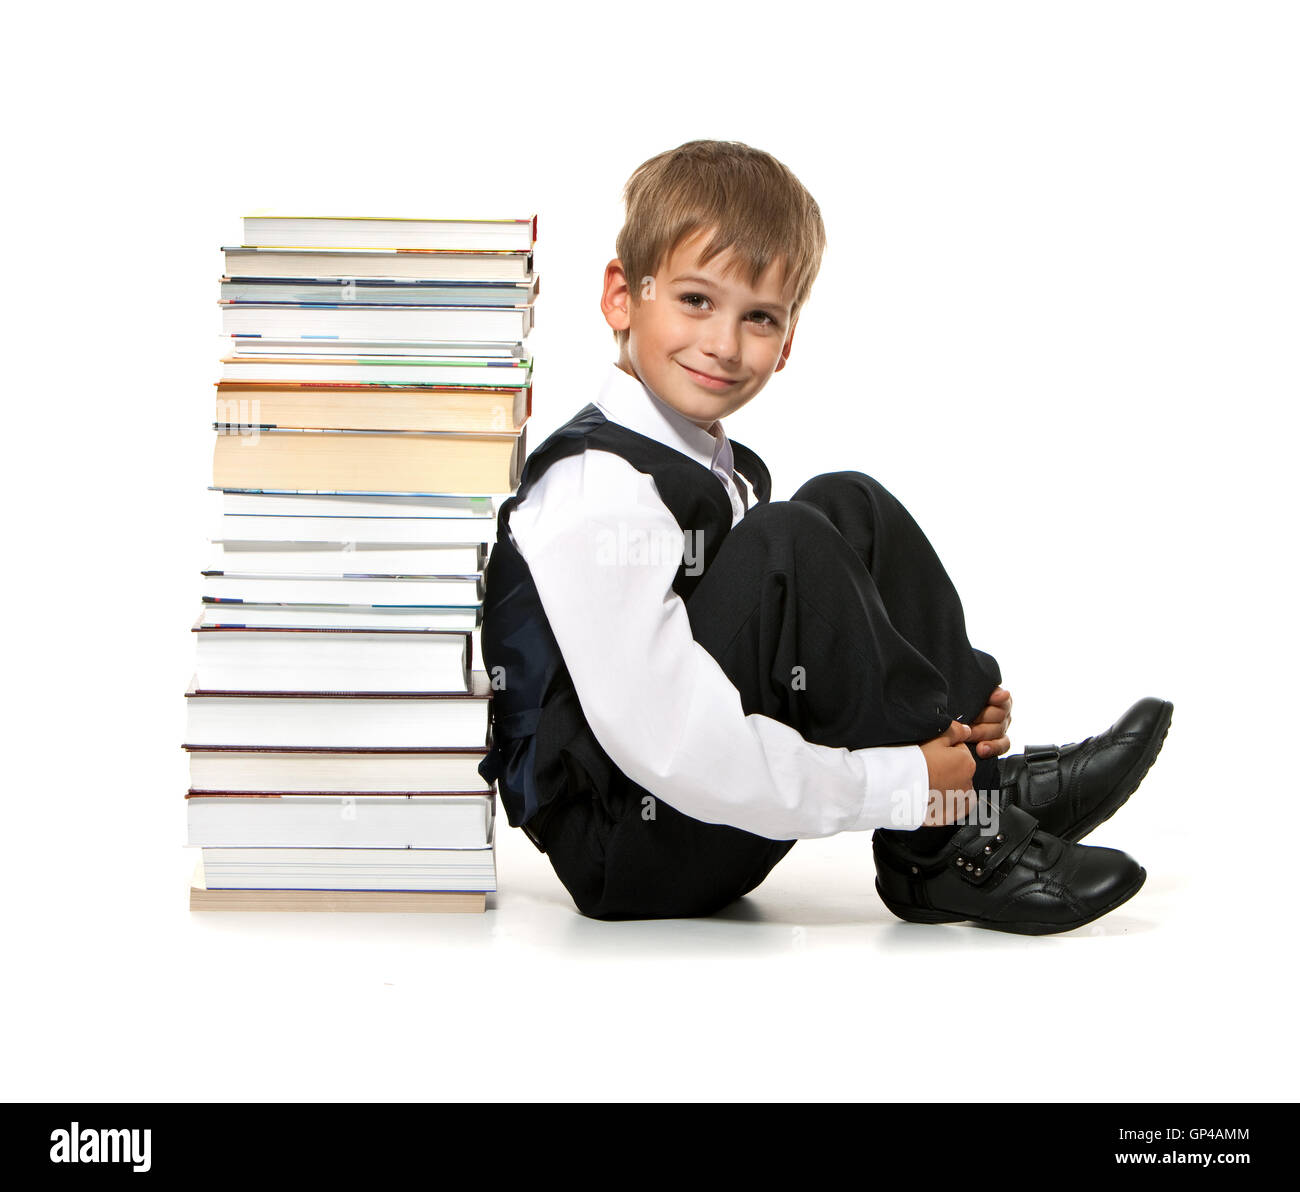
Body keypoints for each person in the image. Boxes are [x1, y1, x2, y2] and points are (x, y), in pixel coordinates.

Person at [478, 139, 1172, 934]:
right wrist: (901, 783)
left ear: (789, 338)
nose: (724, 344)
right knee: (788, 543)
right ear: (621, 297)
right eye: (696, 301)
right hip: (627, 841)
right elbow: (672, 747)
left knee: (846, 506)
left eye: (759, 317)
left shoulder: (702, 462)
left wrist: (949, 718)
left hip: (691, 812)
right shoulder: (597, 489)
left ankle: (978, 779)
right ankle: (947, 834)